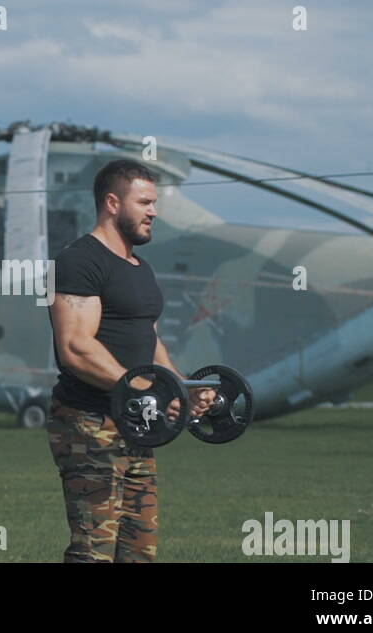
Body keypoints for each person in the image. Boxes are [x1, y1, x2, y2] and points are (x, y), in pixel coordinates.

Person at [46, 158, 215, 563]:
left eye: (154, 202)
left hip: (138, 424)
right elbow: (75, 348)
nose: (154, 211)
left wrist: (182, 388)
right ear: (112, 203)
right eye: (144, 202)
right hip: (89, 423)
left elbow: (149, 343)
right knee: (94, 550)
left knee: (139, 551)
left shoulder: (140, 268)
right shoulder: (78, 261)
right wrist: (147, 390)